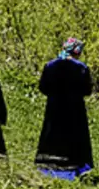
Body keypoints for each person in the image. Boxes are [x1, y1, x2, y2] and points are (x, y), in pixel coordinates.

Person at [35, 37, 94, 180]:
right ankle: (73, 167)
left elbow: (43, 87)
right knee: (73, 138)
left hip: (54, 107)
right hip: (74, 109)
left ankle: (47, 166)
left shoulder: (50, 66)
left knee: (51, 136)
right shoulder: (81, 68)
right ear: (77, 52)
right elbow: (87, 90)